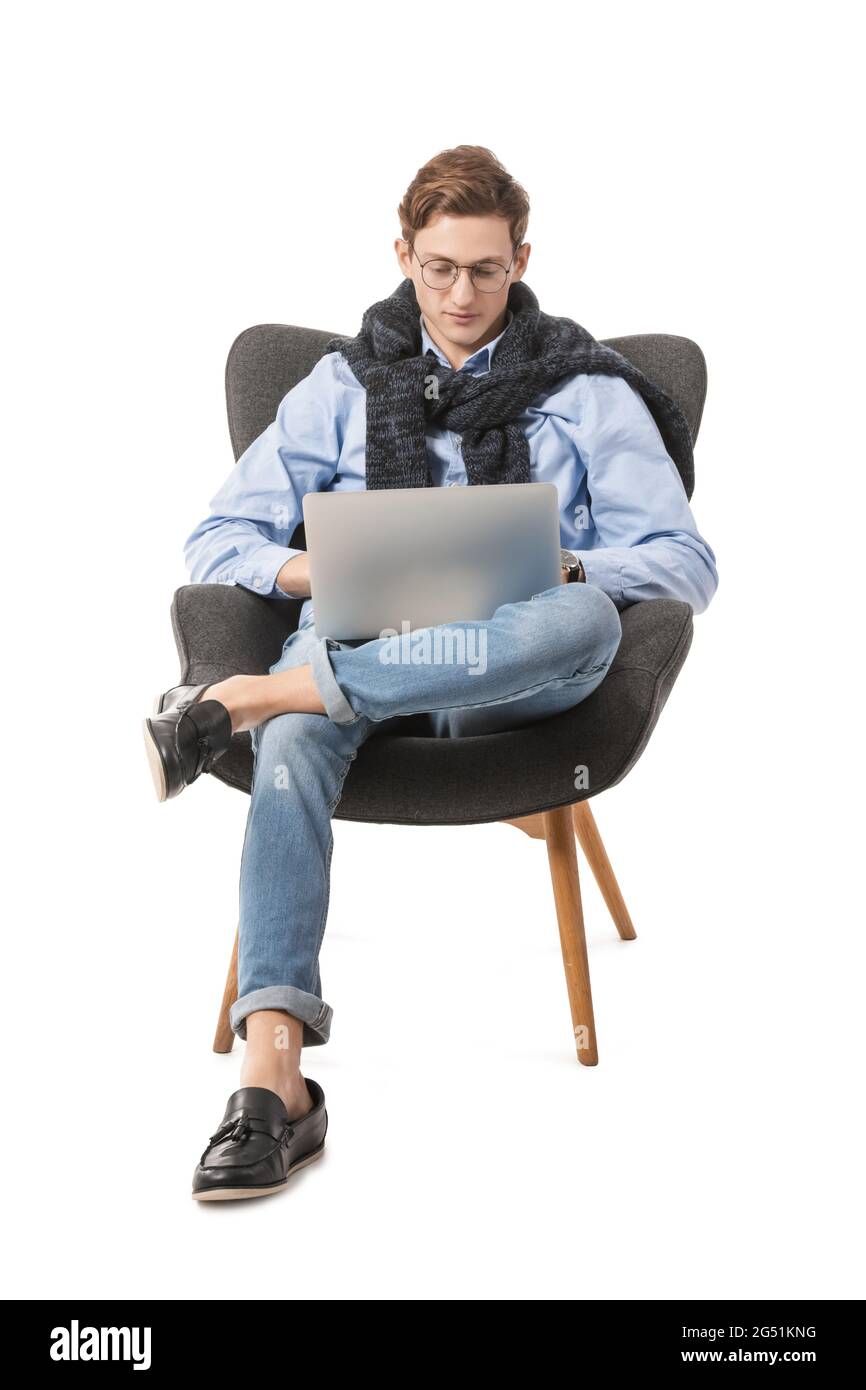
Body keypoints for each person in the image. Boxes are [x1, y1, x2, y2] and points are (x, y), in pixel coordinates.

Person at [144, 144, 718, 1201]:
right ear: (402, 255)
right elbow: (218, 535)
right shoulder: (339, 387)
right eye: (440, 267)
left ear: (521, 260)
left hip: (520, 672)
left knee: (584, 618)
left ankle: (262, 697)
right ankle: (272, 1080)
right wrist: (313, 565)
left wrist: (568, 561)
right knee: (302, 735)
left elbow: (683, 561)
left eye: (486, 270)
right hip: (363, 645)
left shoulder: (587, 391)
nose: (461, 295)